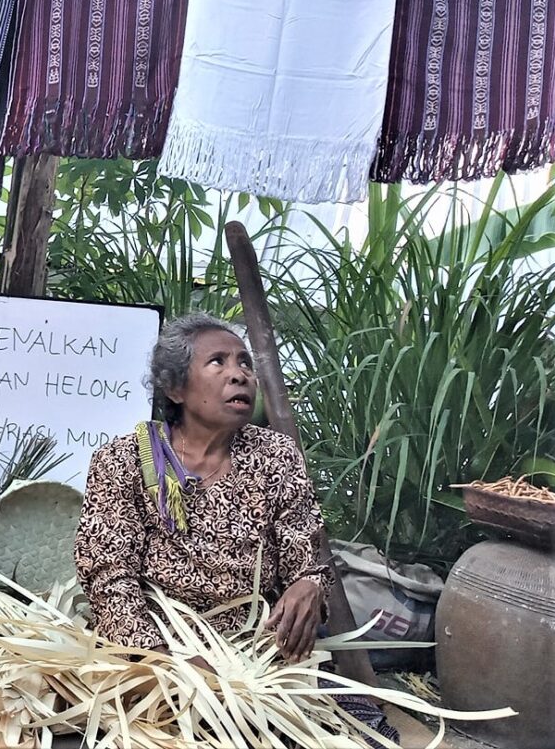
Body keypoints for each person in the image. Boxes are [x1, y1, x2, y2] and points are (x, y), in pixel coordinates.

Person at [74, 313, 397, 741]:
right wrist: (165, 662)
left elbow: (307, 559)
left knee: (364, 734)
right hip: (154, 655)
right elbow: (108, 576)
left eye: (245, 363)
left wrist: (309, 586)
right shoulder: (126, 461)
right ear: (175, 388)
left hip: (254, 656)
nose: (239, 375)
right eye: (218, 363)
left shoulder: (275, 456)